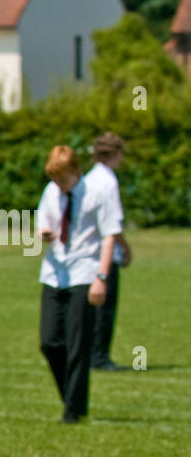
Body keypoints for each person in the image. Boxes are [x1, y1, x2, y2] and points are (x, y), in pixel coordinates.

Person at [35, 145, 123, 424]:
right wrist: (44, 234)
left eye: (63, 179)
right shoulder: (51, 191)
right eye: (55, 179)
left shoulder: (97, 193)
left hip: (86, 272)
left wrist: (102, 277)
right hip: (54, 272)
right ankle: (72, 397)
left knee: (77, 342)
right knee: (49, 342)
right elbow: (42, 223)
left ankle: (72, 411)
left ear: (76, 171)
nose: (59, 185)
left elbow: (109, 235)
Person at [86, 132, 134, 372]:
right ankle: (100, 357)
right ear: (114, 154)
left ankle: (88, 353)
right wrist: (126, 248)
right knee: (105, 308)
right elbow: (113, 225)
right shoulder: (109, 181)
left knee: (90, 307)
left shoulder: (88, 178)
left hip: (87, 252)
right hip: (106, 254)